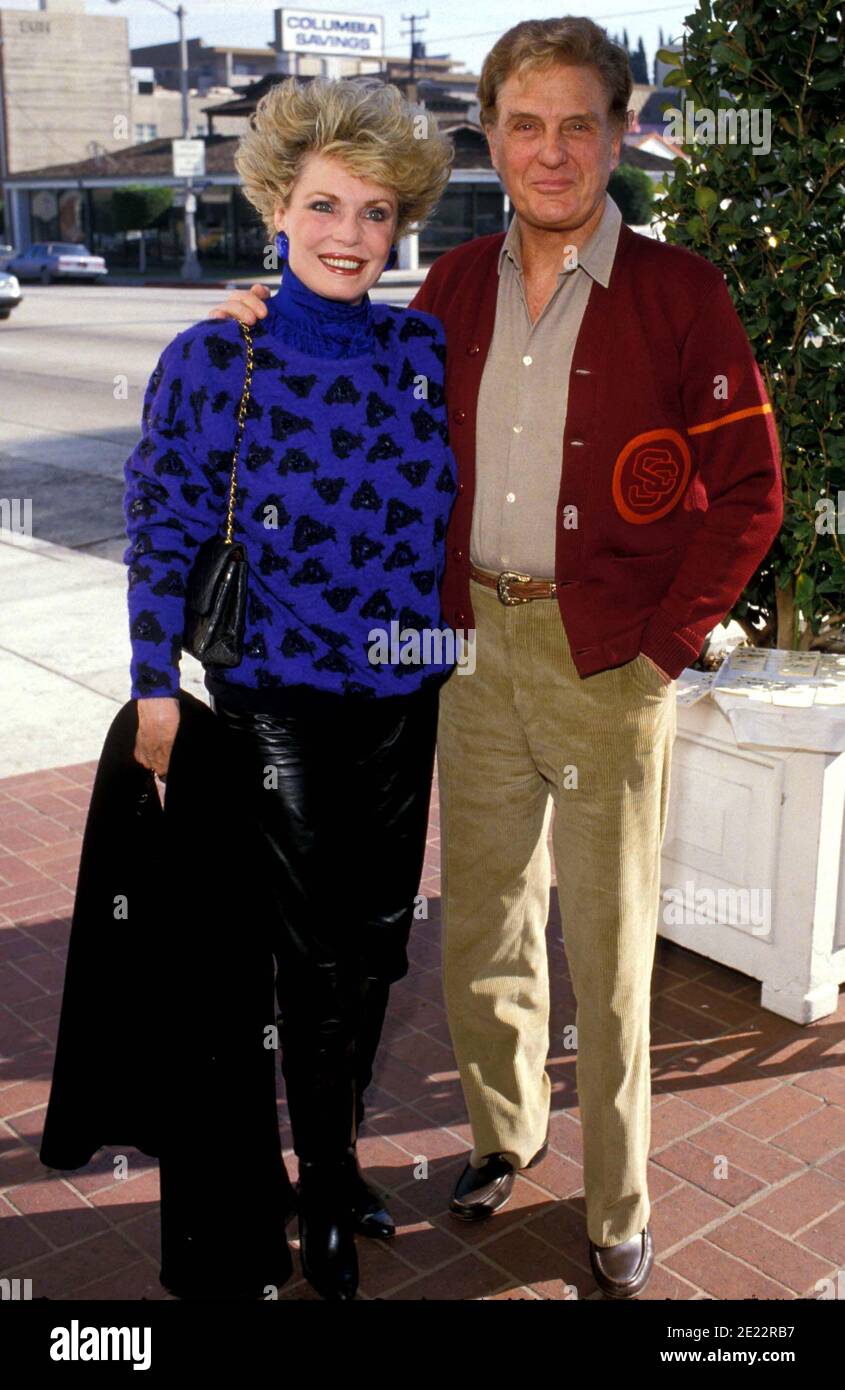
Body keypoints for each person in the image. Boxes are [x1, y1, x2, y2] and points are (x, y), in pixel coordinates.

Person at [206, 17, 784, 1299]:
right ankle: (500, 1134)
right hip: (462, 651)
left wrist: (663, 646)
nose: (551, 150)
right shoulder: (456, 284)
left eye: (579, 122)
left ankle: (618, 1196)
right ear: (492, 139)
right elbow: (337, 366)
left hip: (603, 661)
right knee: (482, 926)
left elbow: (749, 487)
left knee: (611, 941)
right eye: (524, 124)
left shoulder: (680, 292)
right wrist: (256, 311)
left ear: (619, 130)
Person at [123, 75, 456, 1300]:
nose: (347, 235)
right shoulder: (217, 353)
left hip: (402, 694)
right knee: (312, 954)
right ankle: (320, 1182)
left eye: (374, 213)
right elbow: (158, 516)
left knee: (373, 947)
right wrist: (155, 683)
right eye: (323, 205)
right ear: (274, 202)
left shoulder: (417, 347)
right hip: (277, 696)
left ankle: (333, 1149)